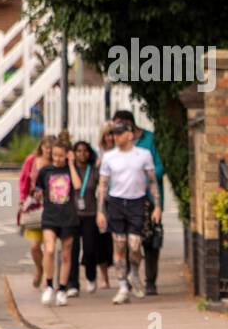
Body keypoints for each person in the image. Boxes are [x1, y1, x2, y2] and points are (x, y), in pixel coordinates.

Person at [96, 119, 160, 305]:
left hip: (137, 202)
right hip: (115, 203)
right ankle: (123, 287)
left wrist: (157, 206)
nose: (114, 137)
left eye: (118, 133)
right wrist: (100, 211)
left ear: (129, 135)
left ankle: (134, 272)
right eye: (113, 133)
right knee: (119, 244)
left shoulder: (143, 155)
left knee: (134, 245)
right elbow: (103, 185)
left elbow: (152, 181)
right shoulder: (109, 157)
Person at [112, 110, 165, 294]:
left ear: (130, 126)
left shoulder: (149, 140)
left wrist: (142, 175)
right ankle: (126, 280)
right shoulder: (116, 146)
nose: (115, 133)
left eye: (119, 127)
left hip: (146, 201)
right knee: (124, 243)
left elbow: (159, 168)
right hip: (122, 202)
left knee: (150, 241)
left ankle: (150, 281)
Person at [34, 138, 82, 305]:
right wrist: (38, 194)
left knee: (67, 255)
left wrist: (70, 164)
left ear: (67, 155)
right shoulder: (45, 171)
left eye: (61, 156)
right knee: (49, 249)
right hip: (50, 216)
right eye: (54, 155)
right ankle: (48, 286)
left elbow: (77, 186)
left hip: (68, 218)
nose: (57, 158)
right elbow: (38, 187)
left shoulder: (72, 170)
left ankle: (62, 289)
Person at [18, 135, 55, 288]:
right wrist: (22, 200)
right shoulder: (32, 160)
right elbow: (24, 181)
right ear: (41, 147)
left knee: (49, 247)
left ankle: (48, 278)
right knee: (34, 246)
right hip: (35, 206)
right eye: (46, 148)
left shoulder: (57, 162)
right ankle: (39, 268)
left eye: (51, 149)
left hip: (53, 207)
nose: (49, 151)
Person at [68, 140, 102, 295]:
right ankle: (73, 284)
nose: (82, 154)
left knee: (89, 249)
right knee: (72, 250)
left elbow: (99, 188)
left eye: (85, 151)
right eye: (78, 151)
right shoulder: (70, 170)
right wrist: (70, 164)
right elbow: (75, 186)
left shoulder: (93, 170)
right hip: (73, 215)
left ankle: (91, 276)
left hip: (90, 213)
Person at [95, 123, 116, 288]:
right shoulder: (97, 156)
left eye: (111, 134)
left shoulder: (122, 153)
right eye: (106, 135)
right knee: (102, 238)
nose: (109, 138)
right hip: (102, 200)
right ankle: (105, 278)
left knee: (118, 238)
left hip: (118, 199)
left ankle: (122, 275)